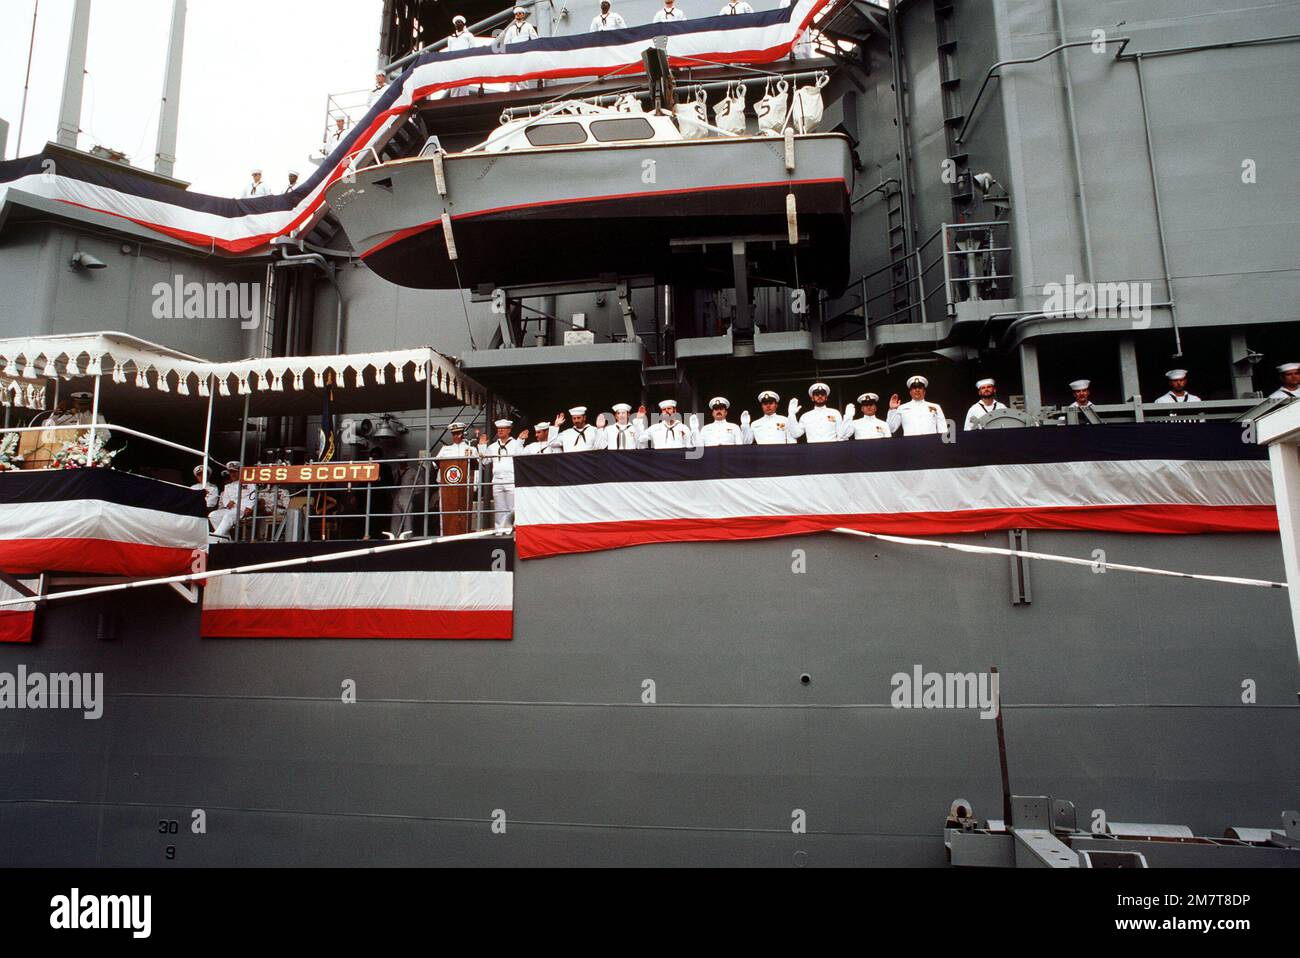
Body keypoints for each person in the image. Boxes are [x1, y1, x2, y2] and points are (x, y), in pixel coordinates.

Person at [479, 419, 524, 532]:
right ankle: (500, 529)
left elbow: (521, 458)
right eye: (499, 429)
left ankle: (513, 529)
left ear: (509, 430)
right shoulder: (493, 446)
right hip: (497, 480)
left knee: (512, 507)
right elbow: (485, 461)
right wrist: (482, 446)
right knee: (499, 507)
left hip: (511, 479)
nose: (500, 430)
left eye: (503, 428)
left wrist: (521, 441)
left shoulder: (515, 444)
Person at [209, 460, 256, 538]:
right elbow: (225, 499)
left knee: (228, 516)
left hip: (242, 509)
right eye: (231, 472)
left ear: (240, 472)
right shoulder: (228, 486)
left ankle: (216, 537)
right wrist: (228, 503)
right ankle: (225, 538)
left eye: (235, 472)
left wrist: (250, 507)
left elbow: (254, 495)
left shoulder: (249, 483)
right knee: (213, 515)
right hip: (231, 509)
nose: (233, 474)